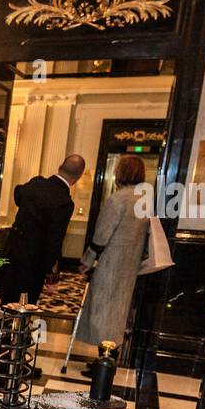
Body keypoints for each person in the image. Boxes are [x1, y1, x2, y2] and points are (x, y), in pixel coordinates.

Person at [76, 153, 149, 364]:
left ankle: (104, 362)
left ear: (121, 172)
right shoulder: (144, 200)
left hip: (111, 262)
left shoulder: (118, 199)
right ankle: (110, 358)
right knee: (118, 310)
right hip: (130, 263)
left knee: (104, 310)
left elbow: (102, 234)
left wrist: (87, 261)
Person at [0, 154, 85, 306]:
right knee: (23, 306)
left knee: (3, 301)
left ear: (60, 167)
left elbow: (18, 194)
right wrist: (52, 274)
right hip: (33, 264)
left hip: (12, 253)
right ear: (78, 177)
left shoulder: (36, 182)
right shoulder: (65, 202)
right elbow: (54, 241)